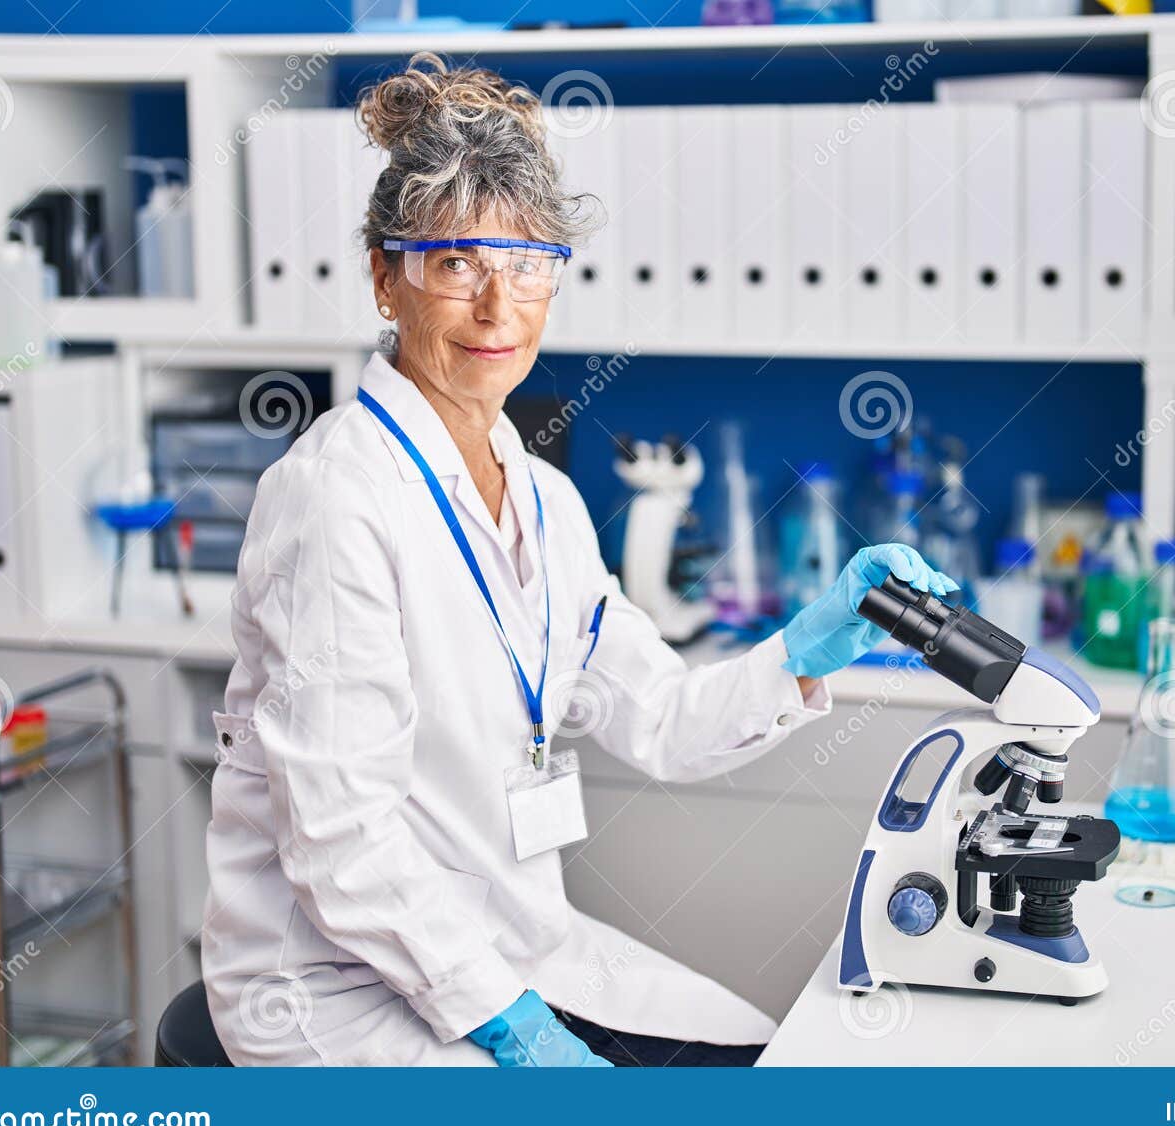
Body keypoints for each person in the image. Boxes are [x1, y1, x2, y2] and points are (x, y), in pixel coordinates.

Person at [201, 54, 957, 1068]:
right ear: (386, 276)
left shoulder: (547, 503)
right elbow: (340, 838)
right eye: (454, 261)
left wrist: (801, 649)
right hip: (335, 991)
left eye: (527, 263)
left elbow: (660, 720)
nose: (496, 305)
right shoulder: (336, 497)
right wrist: (507, 1020)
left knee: (769, 1060)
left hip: (511, 947)